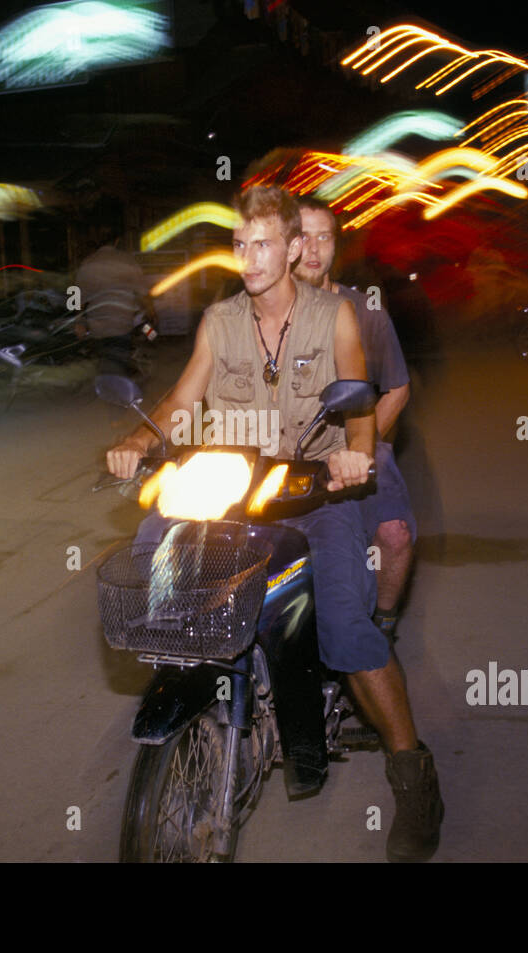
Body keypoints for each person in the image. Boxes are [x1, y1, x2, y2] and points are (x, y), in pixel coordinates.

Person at [105, 186, 443, 862]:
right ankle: (201, 703)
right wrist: (138, 442)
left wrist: (355, 448)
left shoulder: (335, 317)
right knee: (159, 565)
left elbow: (359, 399)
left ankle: (414, 775)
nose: (247, 256)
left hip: (316, 493)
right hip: (234, 488)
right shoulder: (218, 321)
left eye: (262, 243)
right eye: (238, 242)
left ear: (292, 249)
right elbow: (181, 397)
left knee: (348, 632)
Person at [293, 195, 415, 643]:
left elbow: (398, 388)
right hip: (281, 452)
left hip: (353, 448)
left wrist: (362, 449)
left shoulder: (365, 310)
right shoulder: (261, 311)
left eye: (323, 237)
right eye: (302, 236)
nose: (313, 249)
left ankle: (382, 622)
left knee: (394, 534)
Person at [74, 236, 155, 381]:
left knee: (105, 357)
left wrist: (78, 322)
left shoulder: (87, 263)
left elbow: (75, 296)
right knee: (145, 336)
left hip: (97, 326)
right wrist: (152, 312)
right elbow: (143, 292)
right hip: (123, 323)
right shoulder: (128, 261)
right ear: (117, 240)